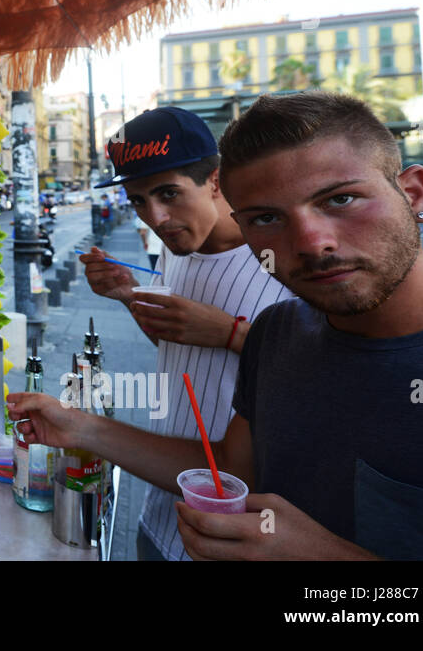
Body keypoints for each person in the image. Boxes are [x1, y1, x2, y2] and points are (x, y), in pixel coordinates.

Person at [14, 92, 423, 560]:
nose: (312, 243)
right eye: (267, 218)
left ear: (416, 195)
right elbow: (229, 468)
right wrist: (79, 428)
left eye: (340, 199)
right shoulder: (279, 331)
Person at [79, 106, 291, 561]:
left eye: (169, 193)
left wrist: (233, 334)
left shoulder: (285, 258)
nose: (155, 217)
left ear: (215, 180)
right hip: (163, 508)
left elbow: (326, 377)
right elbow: (173, 342)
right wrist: (130, 296)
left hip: (236, 530)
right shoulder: (173, 246)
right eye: (138, 201)